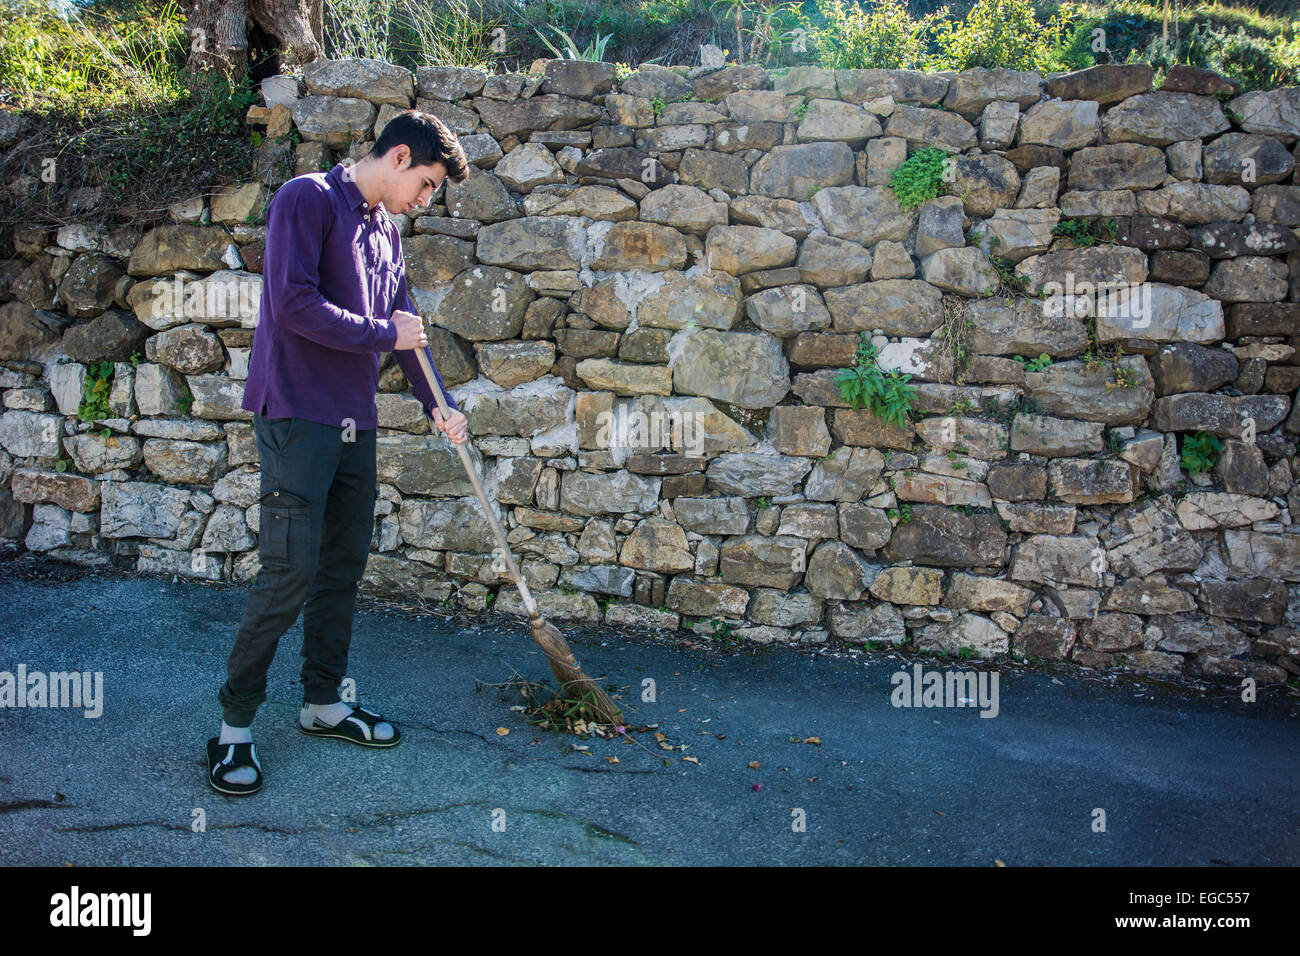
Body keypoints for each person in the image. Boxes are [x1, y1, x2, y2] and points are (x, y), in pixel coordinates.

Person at [206, 110, 471, 796]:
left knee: (342, 566)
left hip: (356, 423)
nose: (425, 200)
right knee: (287, 571)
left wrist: (437, 402)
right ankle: (234, 729)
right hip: (296, 415)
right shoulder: (306, 199)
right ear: (401, 156)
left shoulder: (385, 231)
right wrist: (385, 332)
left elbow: (404, 332)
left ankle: (323, 703)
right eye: (429, 186)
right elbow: (294, 304)